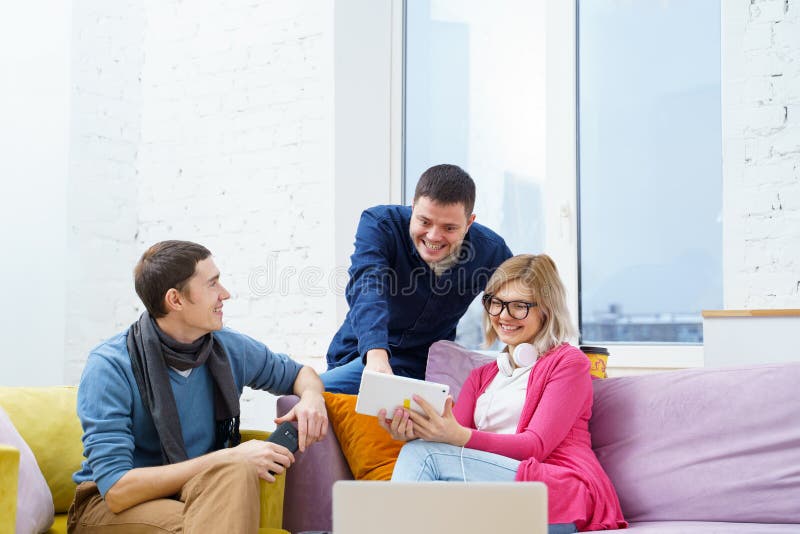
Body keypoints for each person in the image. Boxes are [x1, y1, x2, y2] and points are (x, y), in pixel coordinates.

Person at [68, 240, 328, 533]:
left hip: (195, 491)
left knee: (233, 477)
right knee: (213, 512)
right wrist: (229, 457)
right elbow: (116, 491)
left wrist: (312, 399)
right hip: (106, 507)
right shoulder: (111, 365)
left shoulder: (227, 349)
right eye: (212, 284)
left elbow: (300, 374)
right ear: (175, 300)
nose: (225, 294)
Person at [379, 254, 627, 533]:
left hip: (557, 489)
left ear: (546, 310)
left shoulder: (569, 363)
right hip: (501, 490)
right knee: (427, 477)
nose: (503, 316)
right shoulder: (481, 376)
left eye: (519, 306)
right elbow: (452, 444)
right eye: (496, 303)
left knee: (423, 457)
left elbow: (534, 446)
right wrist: (421, 430)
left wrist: (455, 436)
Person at [322, 164, 512, 393]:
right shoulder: (381, 224)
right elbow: (367, 285)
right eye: (424, 222)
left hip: (425, 368)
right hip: (363, 356)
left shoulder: (490, 251)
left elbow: (521, 297)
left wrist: (529, 356)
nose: (433, 236)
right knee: (307, 395)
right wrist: (376, 354)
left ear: (469, 223)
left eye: (449, 228)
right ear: (412, 208)